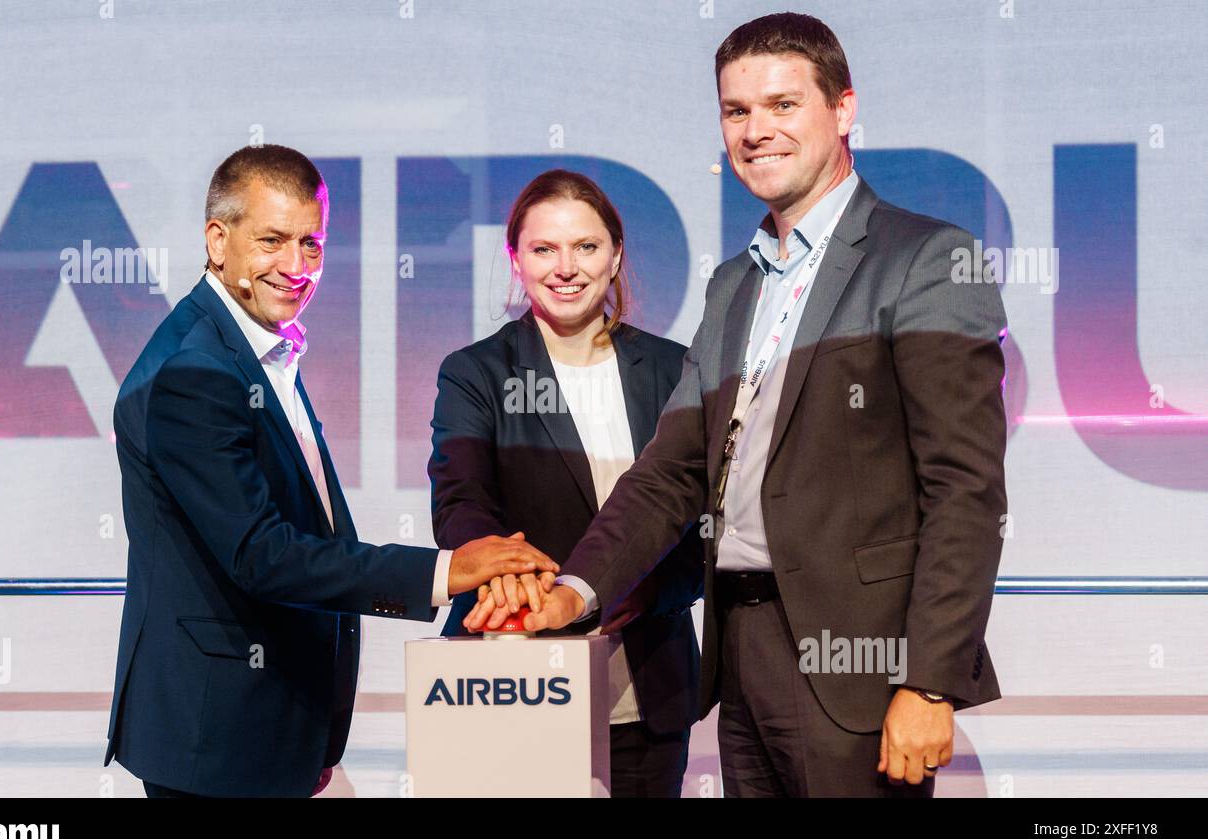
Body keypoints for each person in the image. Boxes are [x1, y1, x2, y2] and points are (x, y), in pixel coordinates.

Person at [468, 12, 1008, 798]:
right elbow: (670, 473)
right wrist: (572, 592)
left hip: (862, 673)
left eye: (783, 105)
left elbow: (965, 489)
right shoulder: (735, 282)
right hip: (741, 655)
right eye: (737, 110)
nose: (757, 130)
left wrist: (930, 683)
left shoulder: (925, 258)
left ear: (844, 109)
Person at [105, 145, 557, 798]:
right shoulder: (194, 370)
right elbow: (261, 555)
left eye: (311, 244)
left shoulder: (253, 342)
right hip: (219, 744)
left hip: (271, 729)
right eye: (271, 241)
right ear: (217, 239)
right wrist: (443, 570)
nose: (295, 266)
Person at [429, 170, 704, 797]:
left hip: (645, 685)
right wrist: (516, 580)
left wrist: (634, 587)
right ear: (516, 260)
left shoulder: (673, 367)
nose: (566, 267)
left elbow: (704, 522)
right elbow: (460, 505)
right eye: (543, 248)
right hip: (517, 677)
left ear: (616, 256)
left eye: (585, 246)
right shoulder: (475, 372)